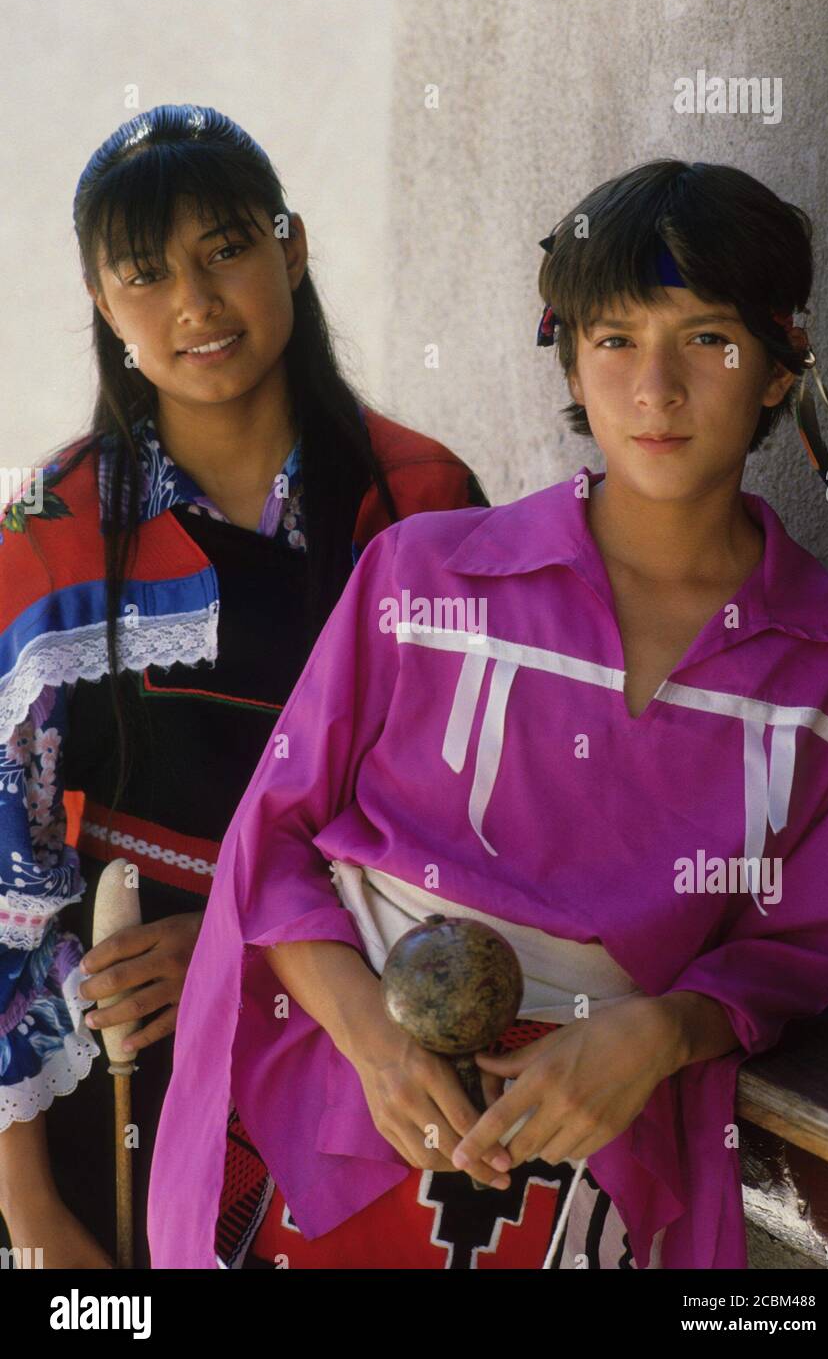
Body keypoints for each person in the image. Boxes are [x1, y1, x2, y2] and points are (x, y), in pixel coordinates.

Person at [148, 158, 828, 1270]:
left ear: (780, 366)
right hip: (346, 1124)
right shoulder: (423, 577)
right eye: (615, 338)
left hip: (594, 1160)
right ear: (571, 354)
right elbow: (274, 841)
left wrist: (659, 1031)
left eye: (707, 338)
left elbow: (800, 944)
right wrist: (368, 1035)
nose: (654, 388)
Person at [0, 103, 488, 1268]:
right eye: (145, 274)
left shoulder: (421, 503)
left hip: (351, 1047)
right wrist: (30, 1218)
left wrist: (236, 947)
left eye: (226, 249)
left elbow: (467, 834)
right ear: (106, 310)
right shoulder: (50, 531)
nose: (195, 303)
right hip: (101, 1071)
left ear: (293, 248)